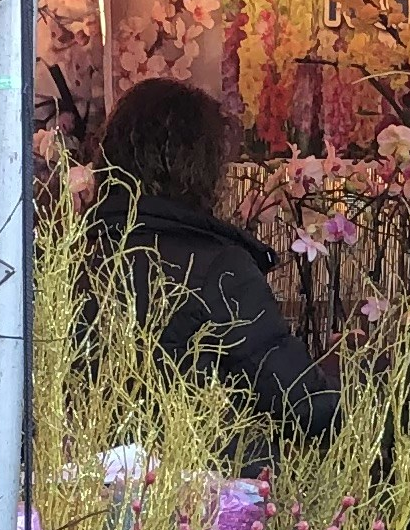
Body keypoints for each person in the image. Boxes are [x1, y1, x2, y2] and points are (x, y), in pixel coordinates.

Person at [96, 77, 339, 437]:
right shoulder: (218, 269)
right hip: (196, 483)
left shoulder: (68, 253)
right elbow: (300, 404)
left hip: (72, 479)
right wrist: (362, 377)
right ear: (204, 168)